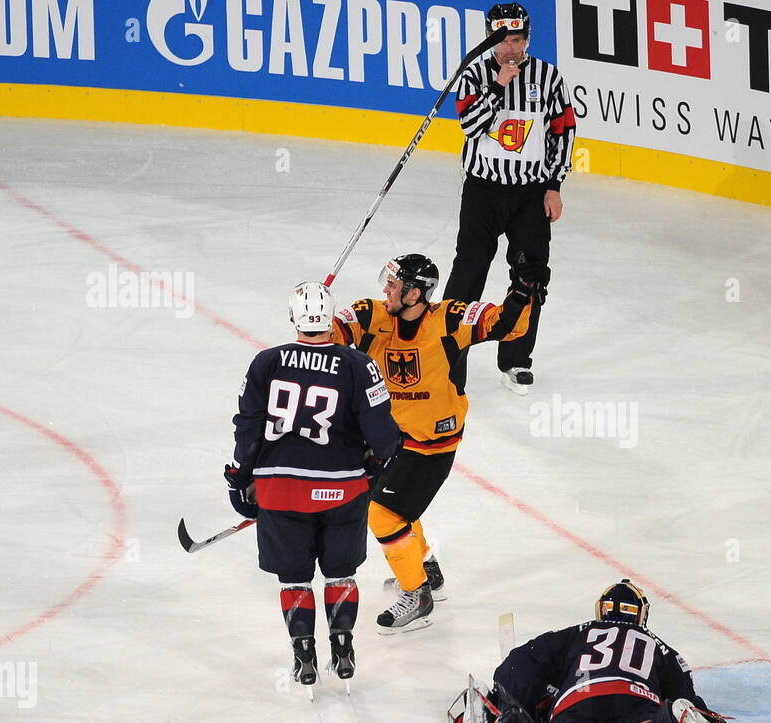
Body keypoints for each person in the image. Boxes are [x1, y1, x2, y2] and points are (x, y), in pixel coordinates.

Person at [330, 253, 540, 632]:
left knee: (382, 513)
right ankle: (426, 567)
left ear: (414, 293)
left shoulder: (448, 319)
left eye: (394, 285)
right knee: (394, 504)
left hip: (432, 444)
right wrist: (315, 319)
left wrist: (521, 292)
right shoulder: (373, 316)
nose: (386, 289)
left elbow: (503, 325)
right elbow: (332, 337)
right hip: (391, 438)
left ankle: (418, 594)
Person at [226, 282, 400, 686]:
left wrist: (240, 476)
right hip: (342, 492)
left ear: (293, 318)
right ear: (331, 319)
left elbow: (248, 428)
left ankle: (303, 652)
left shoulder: (265, 363)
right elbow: (385, 438)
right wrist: (375, 465)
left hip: (280, 491)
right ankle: (342, 644)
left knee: (294, 578)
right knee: (341, 574)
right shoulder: (359, 365)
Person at [445, 580, 746, 723]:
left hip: (578, 707)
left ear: (601, 610)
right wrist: (694, 711)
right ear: (641, 614)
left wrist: (515, 697)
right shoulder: (662, 648)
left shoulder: (579, 632)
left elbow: (522, 662)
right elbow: (686, 693)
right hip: (635, 706)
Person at [443, 2, 577, 392]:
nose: (510, 48)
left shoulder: (548, 77)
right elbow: (471, 125)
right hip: (483, 192)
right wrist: (499, 84)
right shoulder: (474, 74)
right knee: (468, 274)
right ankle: (449, 356)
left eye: (517, 40)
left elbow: (563, 131)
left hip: (530, 195)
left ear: (526, 39)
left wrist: (554, 185)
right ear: (491, 40)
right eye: (502, 40)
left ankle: (516, 358)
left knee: (530, 276)